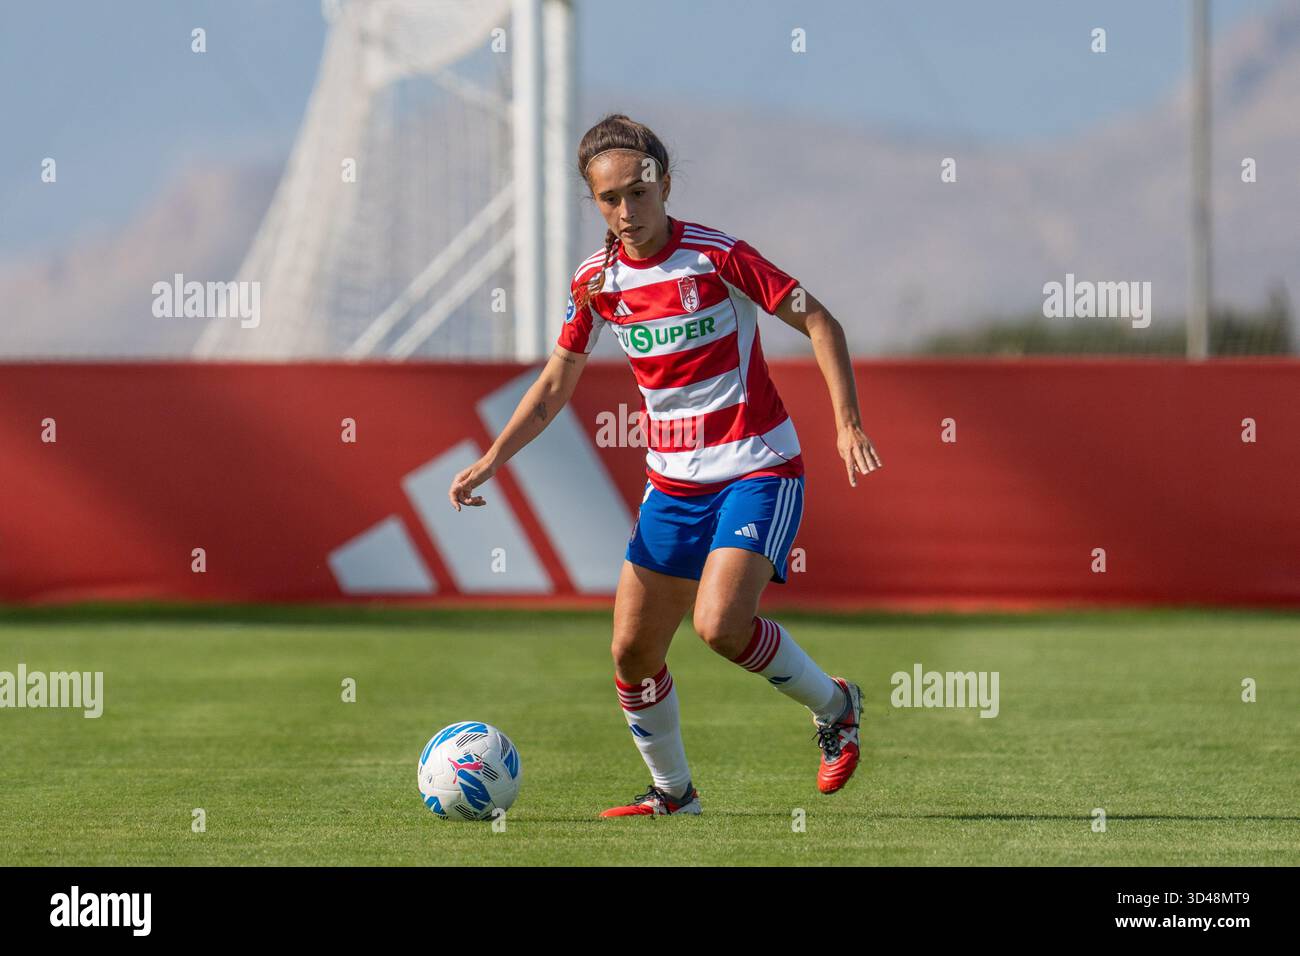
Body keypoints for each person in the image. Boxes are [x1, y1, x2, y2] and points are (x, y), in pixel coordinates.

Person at [449, 114, 883, 817]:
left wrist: (847, 422)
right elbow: (557, 381)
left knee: (719, 626)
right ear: (595, 204)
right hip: (673, 486)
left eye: (637, 194)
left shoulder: (718, 256)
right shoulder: (596, 282)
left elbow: (819, 320)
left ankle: (836, 707)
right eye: (609, 200)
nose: (626, 212)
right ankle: (675, 794)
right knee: (630, 652)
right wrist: (494, 459)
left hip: (758, 467)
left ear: (665, 185)